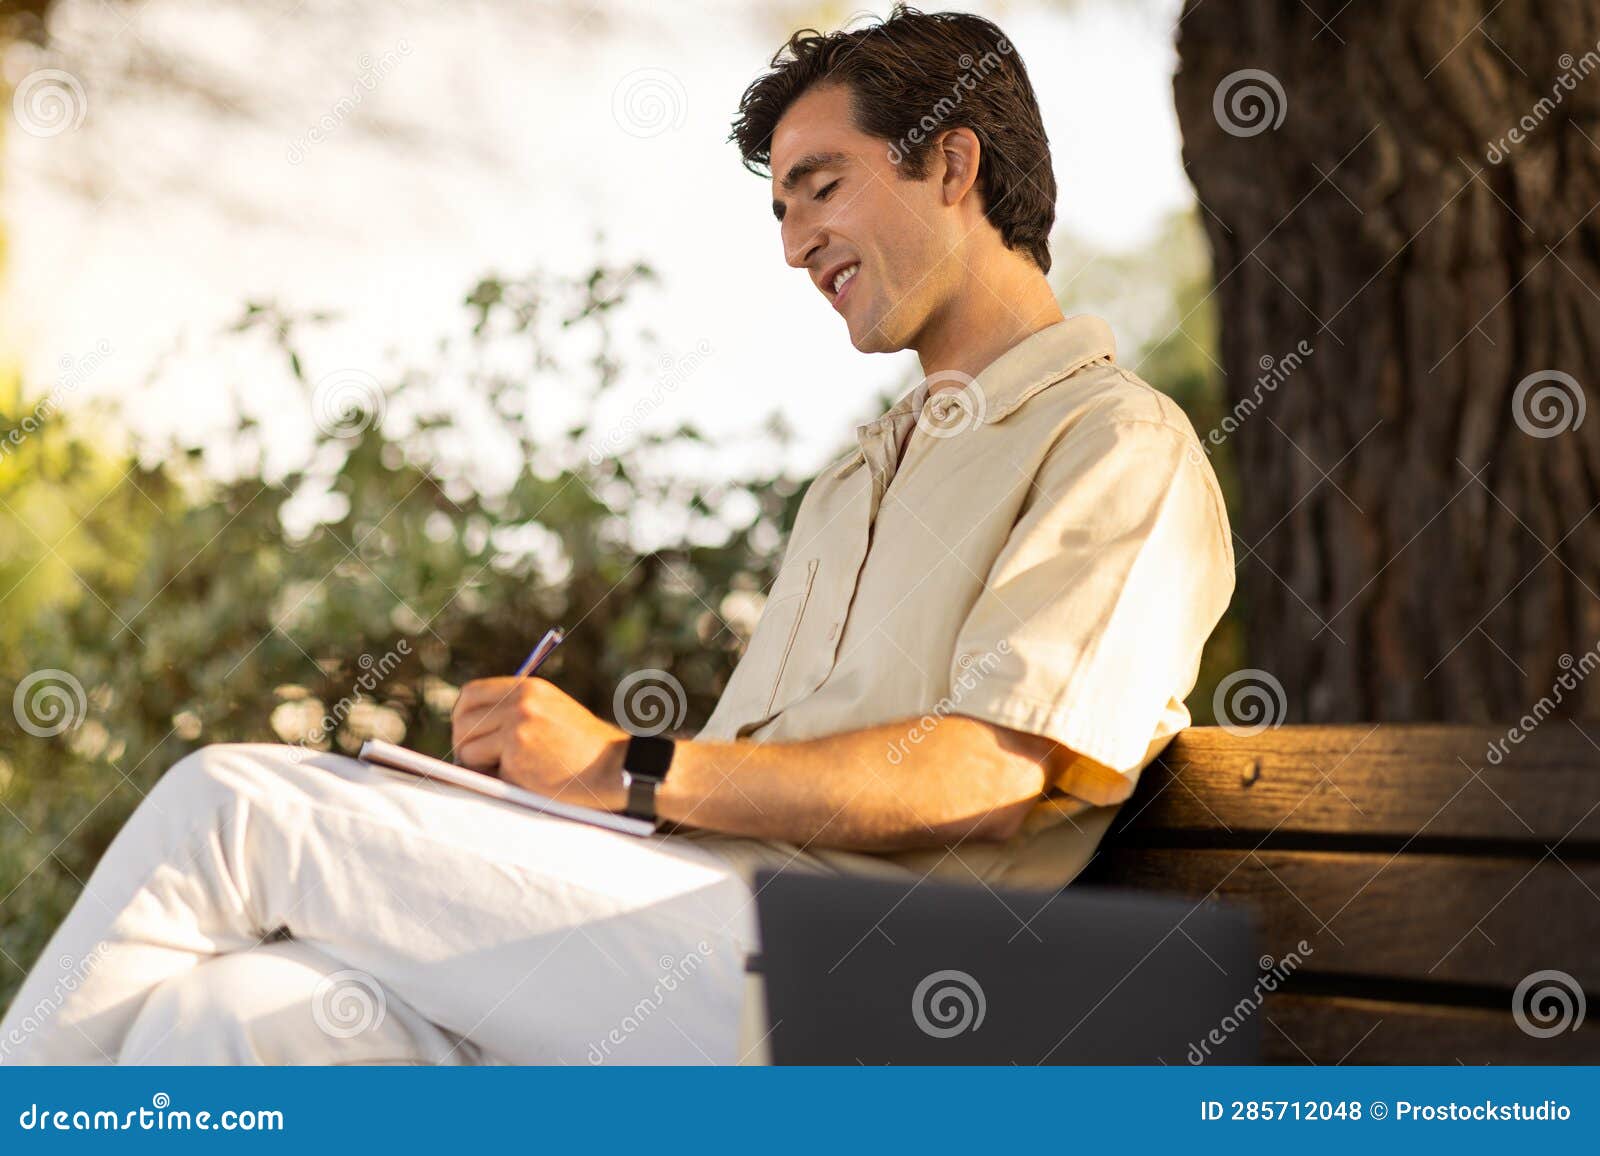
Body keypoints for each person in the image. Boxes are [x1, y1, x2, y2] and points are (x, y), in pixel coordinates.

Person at [0, 5, 1233, 1065]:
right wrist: (562, 802)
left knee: (233, 805)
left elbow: (988, 774)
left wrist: (626, 765)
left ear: (953, 166)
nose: (796, 242)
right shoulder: (858, 477)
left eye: (822, 185)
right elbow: (758, 781)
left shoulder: (1115, 446)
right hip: (692, 918)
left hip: (861, 979)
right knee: (244, 1015)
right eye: (780, 209)